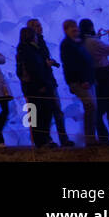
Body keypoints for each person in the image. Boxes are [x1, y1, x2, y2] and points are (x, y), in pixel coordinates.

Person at [29, 18, 72, 147]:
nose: (40, 28)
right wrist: (46, 64)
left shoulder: (41, 42)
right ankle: (45, 139)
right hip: (42, 83)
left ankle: (61, 139)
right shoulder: (31, 45)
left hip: (49, 81)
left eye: (40, 25)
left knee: (56, 111)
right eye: (37, 26)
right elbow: (34, 64)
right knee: (43, 114)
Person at [80, 19, 109, 144]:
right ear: (90, 27)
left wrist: (97, 37)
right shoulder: (93, 42)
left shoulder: (83, 42)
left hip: (95, 77)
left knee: (99, 109)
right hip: (105, 76)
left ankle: (103, 137)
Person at [60, 19, 98, 145]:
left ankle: (89, 136)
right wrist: (82, 80)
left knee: (92, 107)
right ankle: (89, 138)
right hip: (79, 82)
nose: (75, 29)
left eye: (75, 27)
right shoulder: (67, 45)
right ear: (66, 30)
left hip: (87, 80)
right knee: (90, 106)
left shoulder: (78, 42)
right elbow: (71, 64)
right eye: (71, 27)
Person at [16, 25, 54, 147]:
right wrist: (41, 84)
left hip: (33, 87)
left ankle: (43, 140)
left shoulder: (28, 50)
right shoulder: (28, 51)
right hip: (35, 88)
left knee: (41, 114)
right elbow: (34, 69)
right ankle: (41, 141)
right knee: (40, 114)